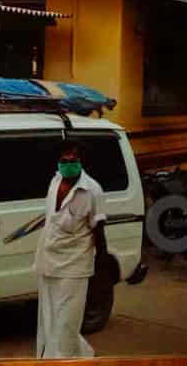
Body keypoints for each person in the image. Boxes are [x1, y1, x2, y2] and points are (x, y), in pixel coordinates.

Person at [35, 140, 107, 359]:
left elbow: (99, 231)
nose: (68, 164)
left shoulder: (92, 190)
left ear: (80, 161)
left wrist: (101, 266)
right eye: (63, 161)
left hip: (75, 266)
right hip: (48, 261)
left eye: (72, 160)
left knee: (67, 324)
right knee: (49, 321)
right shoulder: (55, 181)